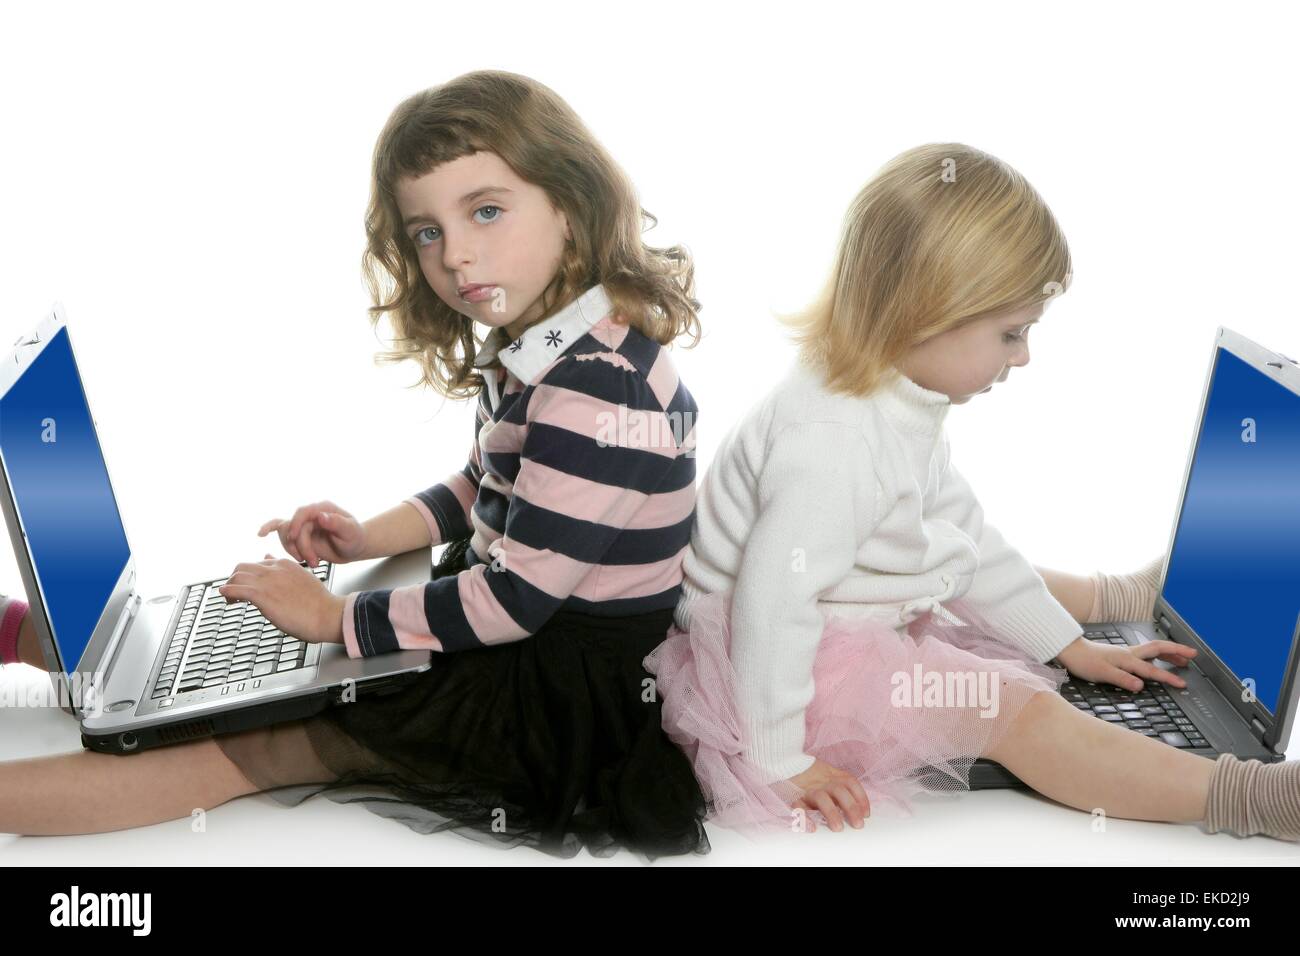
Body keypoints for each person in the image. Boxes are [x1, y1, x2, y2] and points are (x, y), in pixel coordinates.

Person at [0, 70, 711, 860]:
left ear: (571, 209)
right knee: (240, 671)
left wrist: (335, 620)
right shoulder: (549, 346)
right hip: (516, 626)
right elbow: (486, 489)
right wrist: (366, 537)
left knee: (257, 744)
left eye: (485, 211)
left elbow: (516, 600)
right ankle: (48, 643)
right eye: (427, 232)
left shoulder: (596, 391)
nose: (456, 254)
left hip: (546, 691)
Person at [644, 142, 1300, 843]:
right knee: (1009, 710)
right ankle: (1250, 798)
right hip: (780, 672)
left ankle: (1120, 600)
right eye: (1011, 333)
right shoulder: (833, 441)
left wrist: (1066, 644)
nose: (1023, 356)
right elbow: (775, 602)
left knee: (951, 557)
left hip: (833, 617)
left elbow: (963, 535)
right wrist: (778, 756)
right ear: (925, 312)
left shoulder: (892, 394)